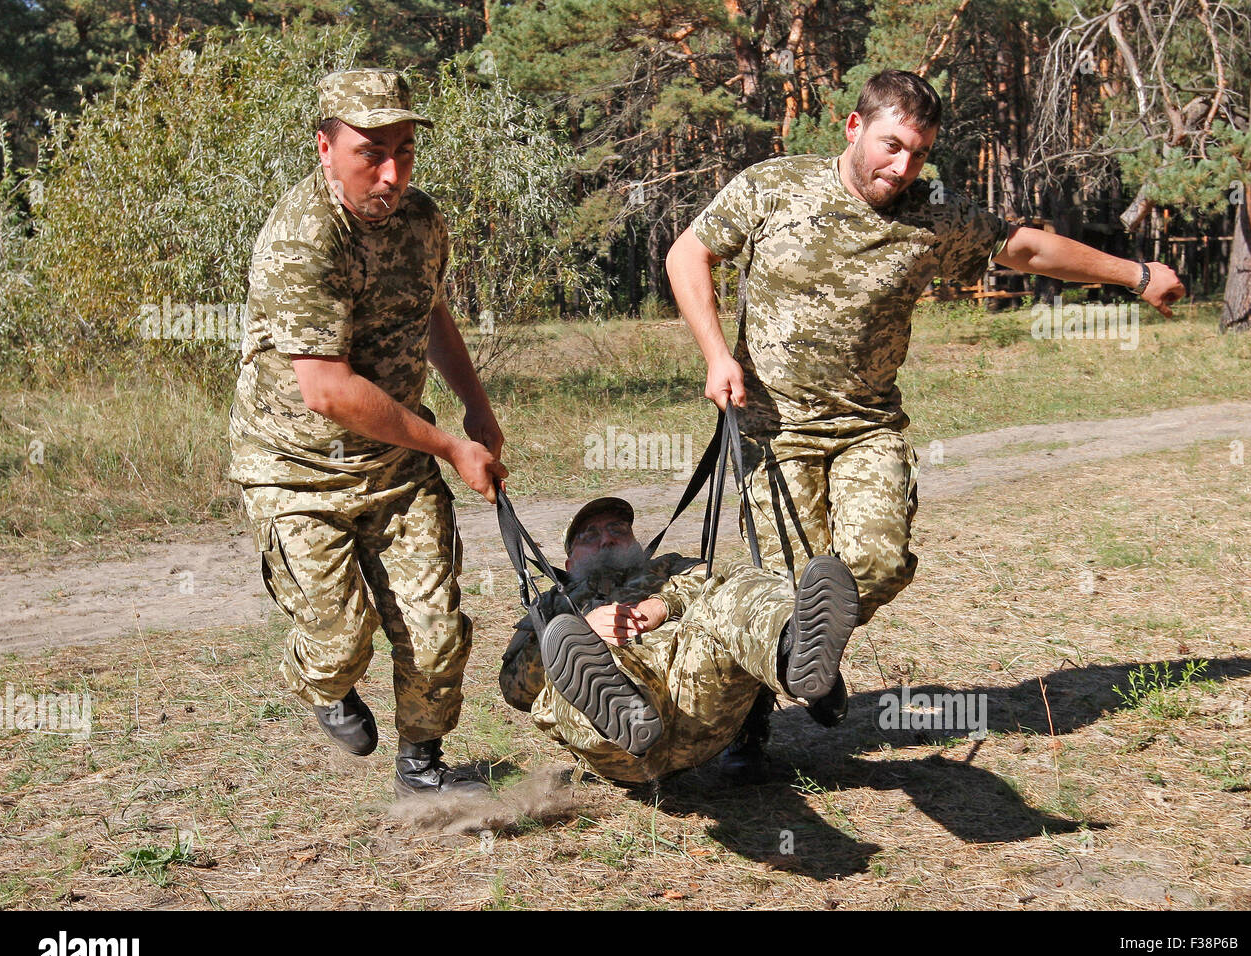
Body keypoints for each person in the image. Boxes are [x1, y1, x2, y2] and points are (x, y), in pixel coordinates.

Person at [665, 69, 1187, 779]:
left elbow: (1027, 249)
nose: (903, 166)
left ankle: (808, 663)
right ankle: (749, 720)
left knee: (874, 562)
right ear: (853, 129)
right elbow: (686, 252)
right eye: (890, 146)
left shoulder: (933, 215)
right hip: (773, 428)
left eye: (919, 153)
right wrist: (716, 352)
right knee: (786, 589)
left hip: (866, 427)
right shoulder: (773, 187)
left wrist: (1134, 274)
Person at [229, 68, 508, 798]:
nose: (391, 174)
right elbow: (325, 389)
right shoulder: (301, 238)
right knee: (338, 642)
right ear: (324, 147)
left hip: (395, 465)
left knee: (437, 630)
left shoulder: (421, 219)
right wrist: (450, 444)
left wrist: (475, 406)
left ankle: (422, 769)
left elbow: (431, 310)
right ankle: (322, 681)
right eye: (370, 153)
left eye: (406, 152)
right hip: (296, 470)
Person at [498, 497, 860, 784]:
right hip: (616, 743)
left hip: (697, 699)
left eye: (618, 530)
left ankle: (791, 655)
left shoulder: (668, 568)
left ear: (637, 543)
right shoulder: (551, 604)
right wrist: (583, 626)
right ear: (569, 560)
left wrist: (662, 603)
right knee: (575, 653)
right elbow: (515, 689)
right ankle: (622, 704)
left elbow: (719, 582)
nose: (607, 538)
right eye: (589, 536)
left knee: (733, 584)